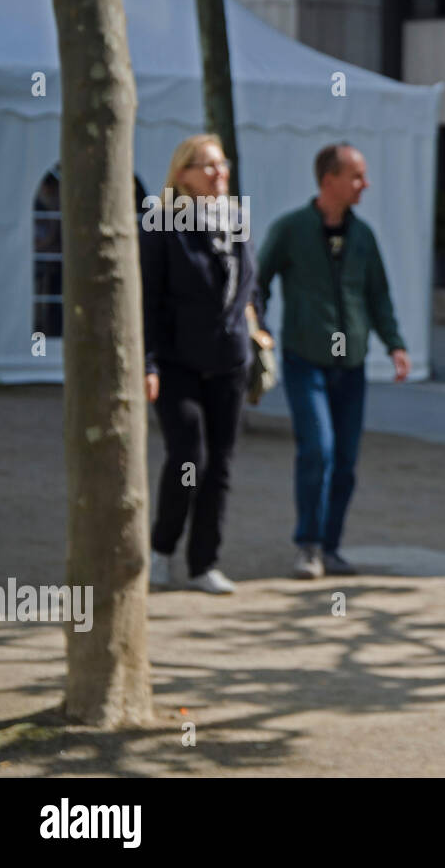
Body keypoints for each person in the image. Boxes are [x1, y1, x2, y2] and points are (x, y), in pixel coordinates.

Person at [257, 143, 410, 580]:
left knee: (345, 459)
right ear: (329, 181)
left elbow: (378, 295)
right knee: (317, 450)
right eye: (357, 176)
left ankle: (331, 546)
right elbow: (259, 281)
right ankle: (307, 544)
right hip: (305, 359)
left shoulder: (363, 236)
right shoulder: (290, 229)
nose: (365, 184)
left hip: (352, 364)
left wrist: (395, 344)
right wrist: (258, 329)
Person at [141, 133, 266, 594]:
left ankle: (204, 563)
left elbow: (251, 283)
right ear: (182, 174)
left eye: (222, 164)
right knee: (188, 457)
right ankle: (161, 550)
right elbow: (146, 301)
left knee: (221, 465)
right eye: (207, 166)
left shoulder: (236, 220)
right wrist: (148, 363)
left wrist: (260, 326)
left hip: (229, 362)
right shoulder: (160, 224)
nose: (219, 173)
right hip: (177, 364)